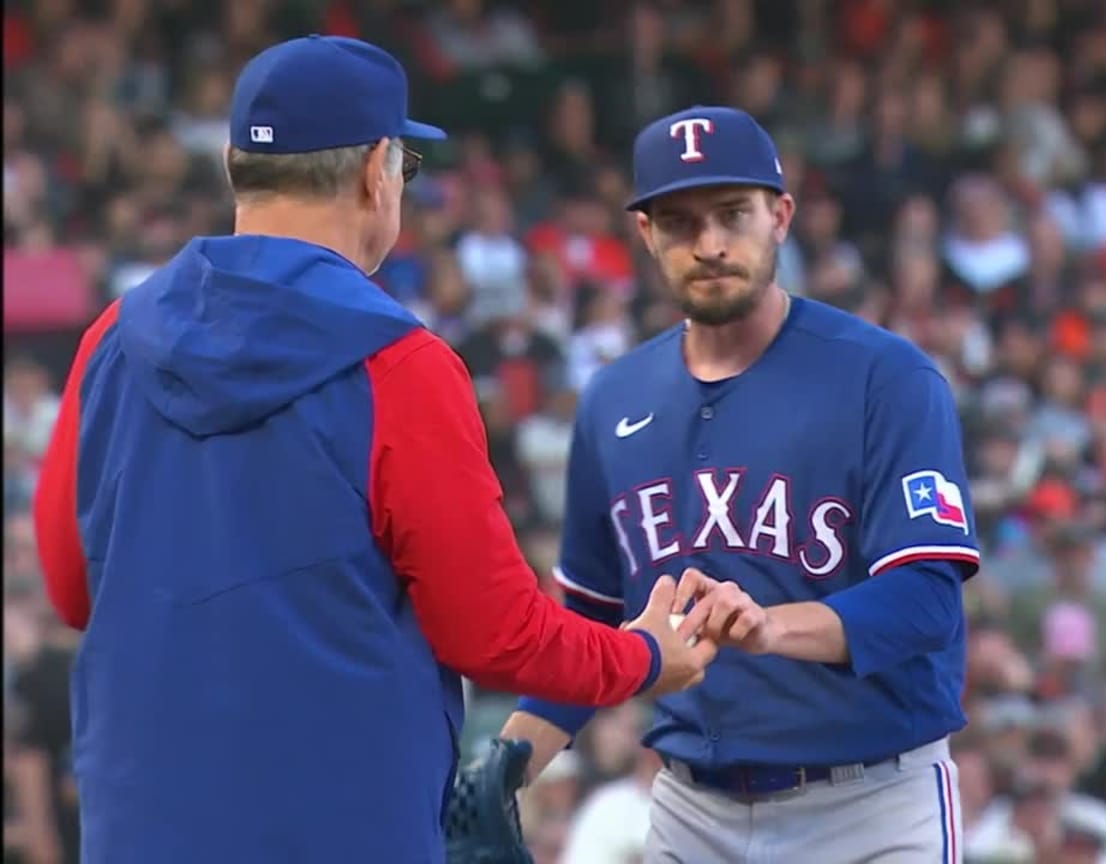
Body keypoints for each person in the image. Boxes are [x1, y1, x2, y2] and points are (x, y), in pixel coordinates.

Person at [29, 35, 713, 864]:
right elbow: (495, 634)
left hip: (139, 825)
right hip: (344, 826)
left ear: (236, 167)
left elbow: (71, 588)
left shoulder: (111, 337)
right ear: (374, 172)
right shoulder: (398, 365)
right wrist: (643, 654)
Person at [499, 105, 982, 862]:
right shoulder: (613, 401)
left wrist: (770, 626)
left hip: (872, 807)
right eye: (680, 221)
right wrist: (500, 772)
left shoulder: (884, 377)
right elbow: (591, 628)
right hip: (694, 809)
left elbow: (925, 598)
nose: (711, 243)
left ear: (781, 216)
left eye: (733, 213)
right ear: (647, 235)